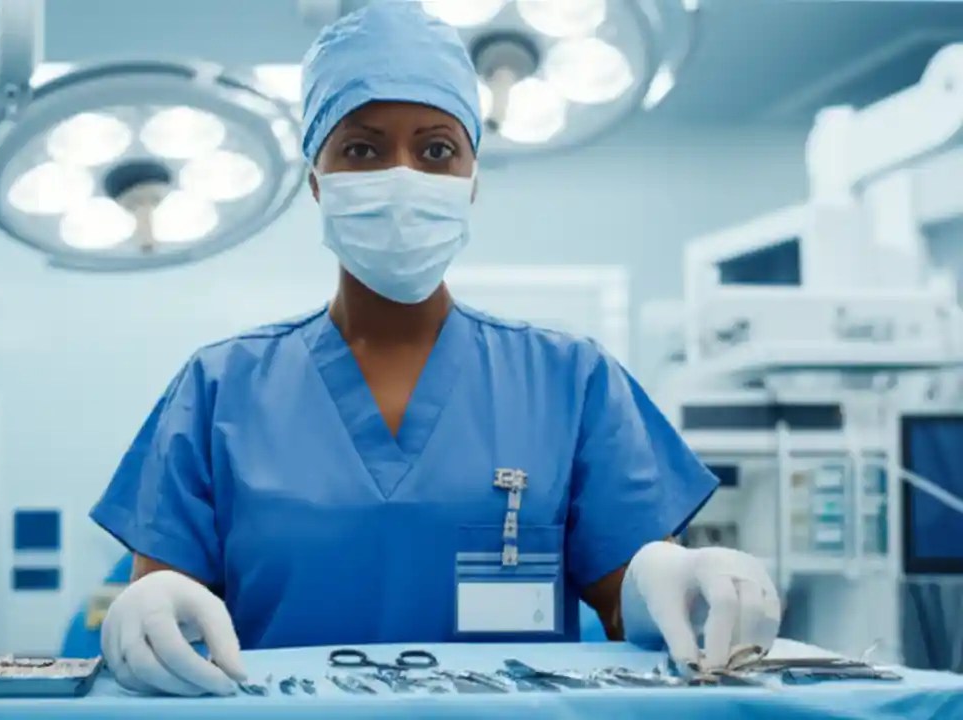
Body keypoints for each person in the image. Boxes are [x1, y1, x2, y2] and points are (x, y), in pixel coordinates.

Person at [91, 1, 780, 698]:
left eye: (437, 149)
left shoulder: (570, 380)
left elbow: (624, 601)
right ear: (315, 179)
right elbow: (169, 606)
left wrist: (670, 576)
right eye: (361, 148)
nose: (402, 174)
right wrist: (146, 610)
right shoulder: (219, 388)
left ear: (471, 181)